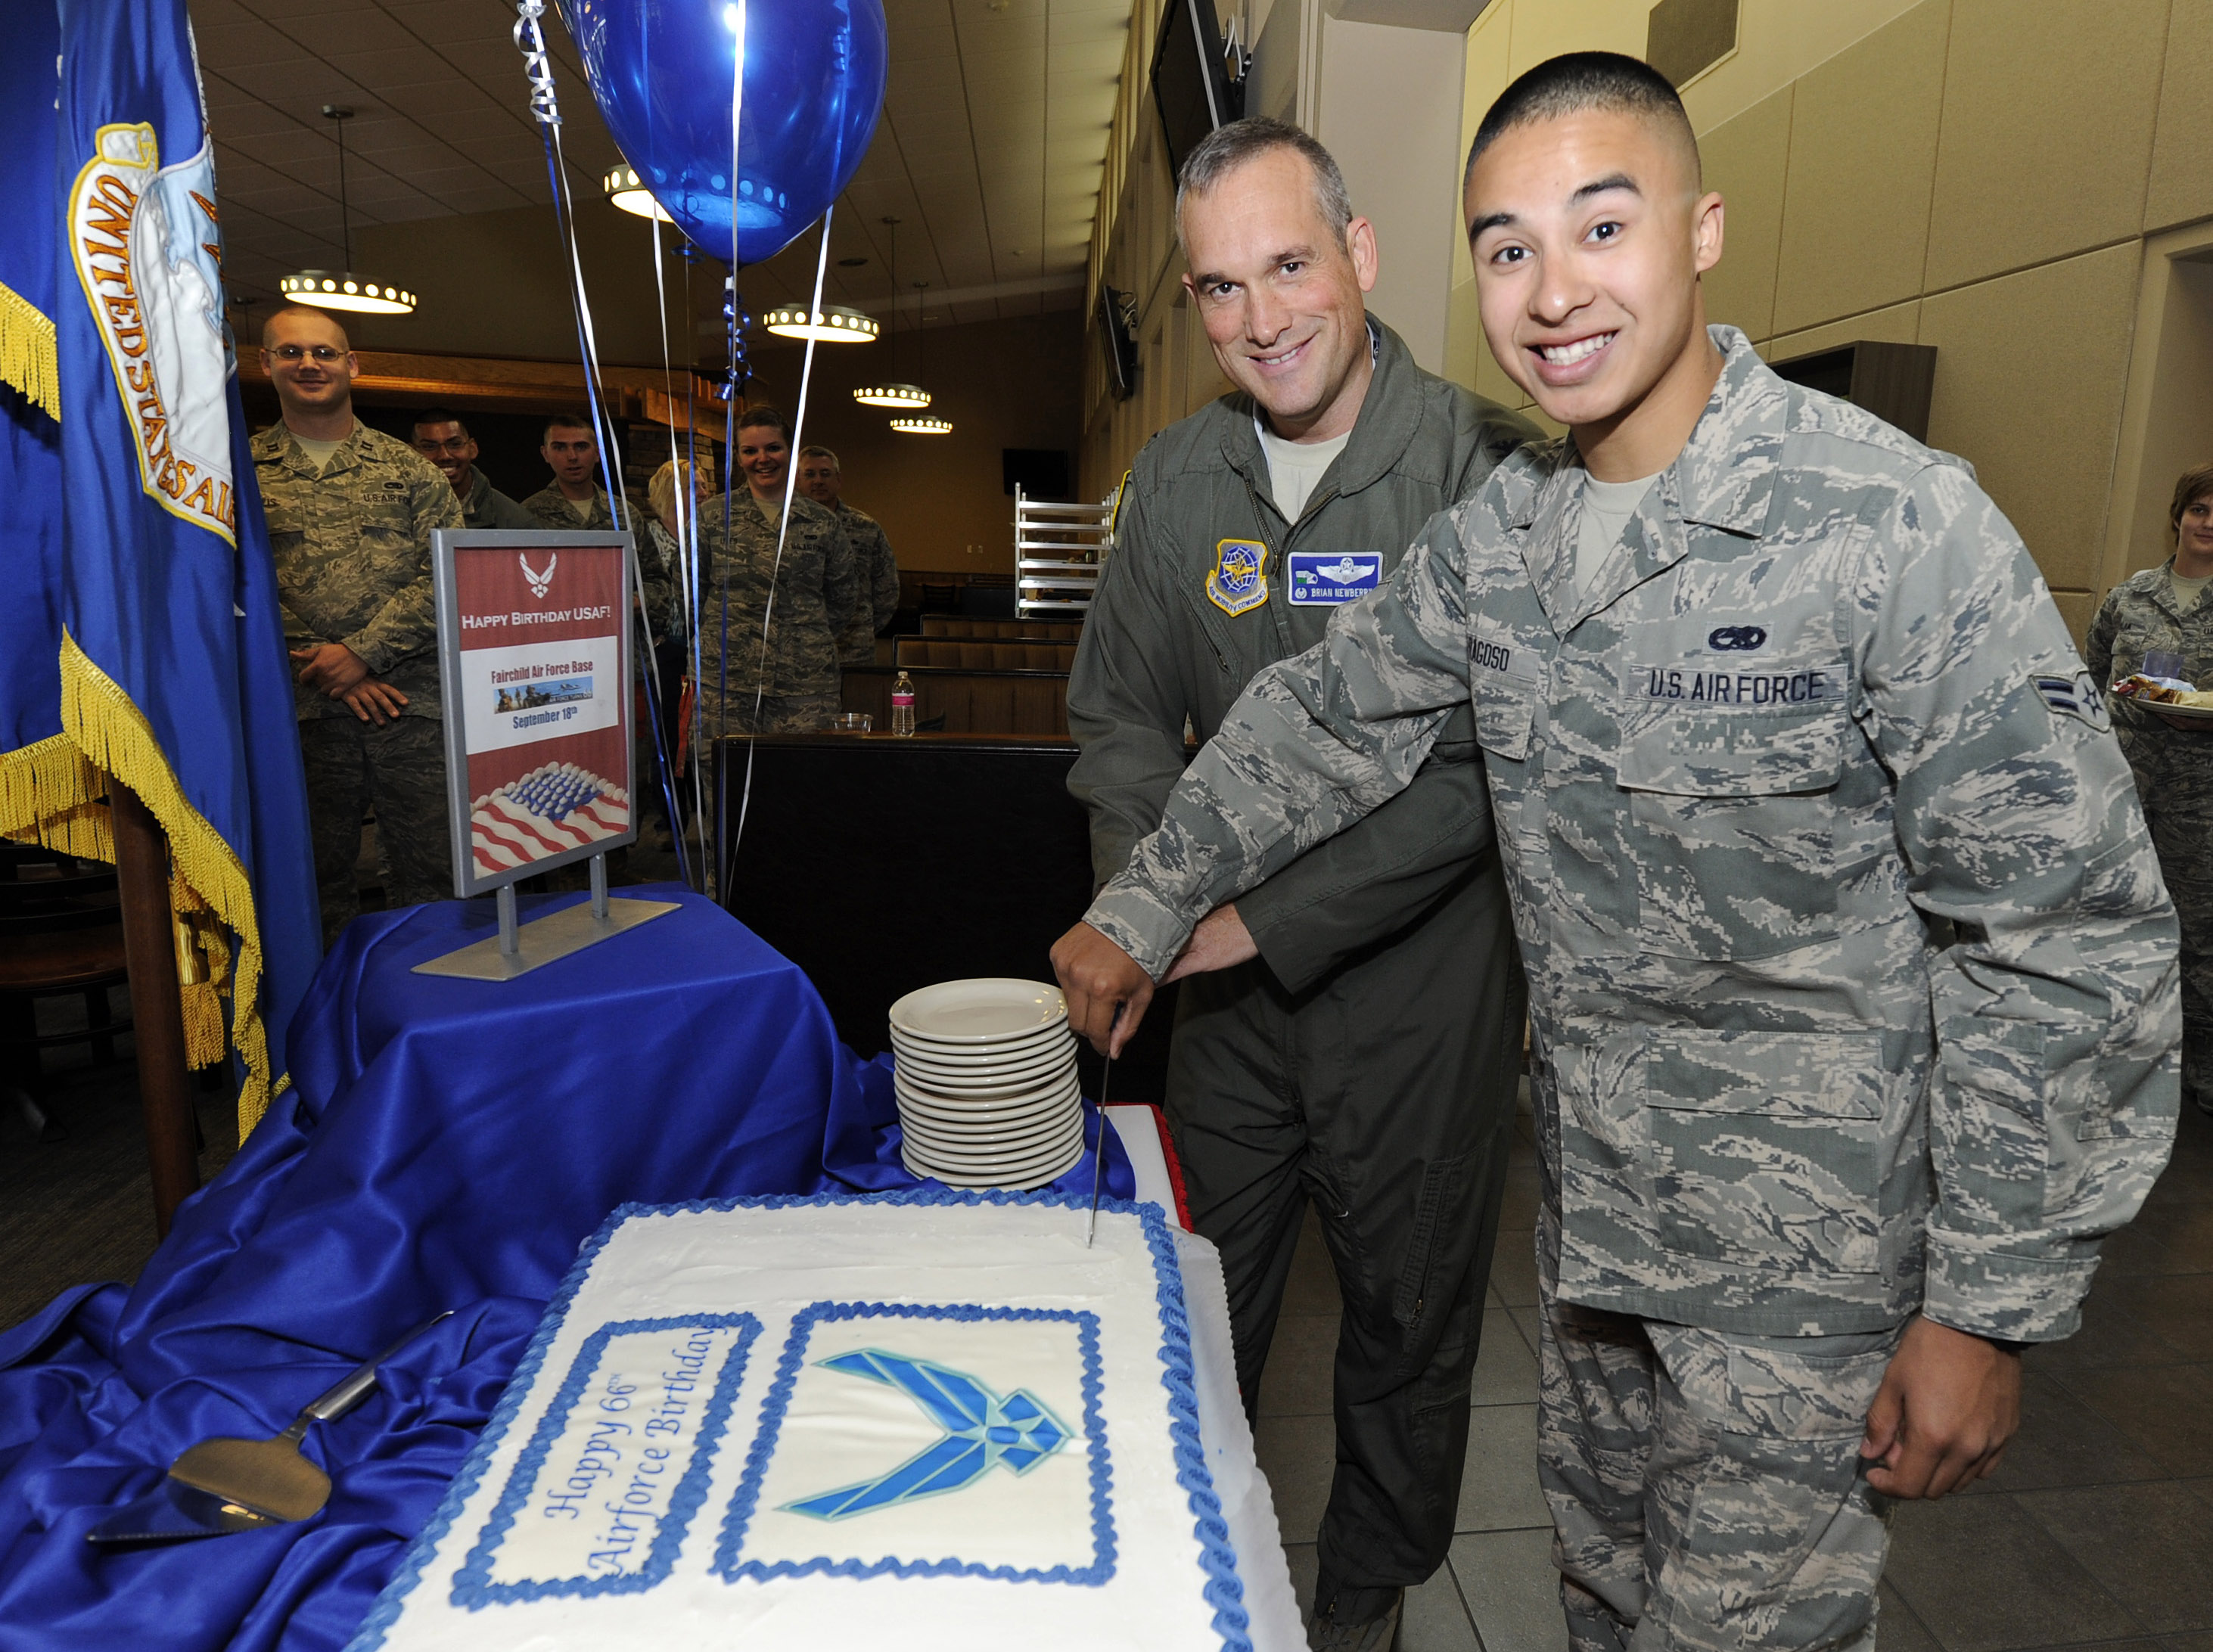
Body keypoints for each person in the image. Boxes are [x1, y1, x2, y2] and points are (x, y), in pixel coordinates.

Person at [1052, 53, 2179, 1652]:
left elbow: (2066, 932)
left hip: (1803, 1289)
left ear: (1700, 229)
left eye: (1601, 226)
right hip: (1592, 1258)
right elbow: (1322, 717)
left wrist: (1984, 1307)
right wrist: (1145, 905)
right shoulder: (1506, 541)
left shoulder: (1888, 528)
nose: (1551, 290)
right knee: (1598, 1607)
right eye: (1507, 247)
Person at [1058, 116, 1540, 1652]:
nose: (1260, 319)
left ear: (1359, 255)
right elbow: (1119, 713)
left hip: (1423, 1002)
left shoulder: (1484, 466)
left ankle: (1360, 1612)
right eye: (1216, 288)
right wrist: (1152, 903)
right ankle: (1184, 1587)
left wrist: (1252, 919)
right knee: (1194, 1313)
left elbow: (1485, 766)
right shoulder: (1175, 479)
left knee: (1405, 1333)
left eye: (1287, 265)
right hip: (1227, 1020)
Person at [253, 304, 463, 946]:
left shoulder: (410, 471)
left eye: (324, 352)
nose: (309, 364)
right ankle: (324, 1027)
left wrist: (364, 654)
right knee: (308, 884)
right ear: (265, 365)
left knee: (435, 875)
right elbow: (230, 582)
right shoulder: (237, 473)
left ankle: (428, 1014)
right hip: (296, 714)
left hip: (411, 708)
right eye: (291, 353)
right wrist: (336, 673)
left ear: (352, 365)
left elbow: (449, 575)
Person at [2087, 459, 2213, 1119]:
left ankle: (2201, 1071)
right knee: (2116, 920)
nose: (2208, 523)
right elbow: (2090, 674)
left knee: (2199, 934)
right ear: (2177, 516)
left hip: (2202, 793)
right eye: (2199, 509)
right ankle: (2114, 1058)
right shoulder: (2127, 597)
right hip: (2126, 783)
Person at [697, 407, 863, 733]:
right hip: (726, 685)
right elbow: (689, 595)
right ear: (738, 456)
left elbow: (843, 600)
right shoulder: (712, 518)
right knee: (724, 779)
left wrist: (799, 635)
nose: (763, 459)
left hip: (805, 685)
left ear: (790, 450)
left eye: (773, 448)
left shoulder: (823, 523)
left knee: (802, 779)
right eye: (750, 451)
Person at [798, 444, 902, 654]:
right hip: (799, 653)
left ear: (839, 480)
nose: (818, 480)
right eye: (810, 474)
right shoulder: (783, 527)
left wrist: (863, 627)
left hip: (853, 648)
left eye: (825, 474)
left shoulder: (867, 528)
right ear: (798, 481)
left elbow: (887, 590)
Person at [411, 408, 533, 529]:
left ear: (472, 449)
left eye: (455, 444)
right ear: (411, 454)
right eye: (429, 447)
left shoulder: (516, 521)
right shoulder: (400, 510)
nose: (445, 456)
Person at [523, 411, 623, 529]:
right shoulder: (527, 515)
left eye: (581, 447)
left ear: (597, 453)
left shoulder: (625, 514)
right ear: (546, 454)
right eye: (560, 448)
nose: (572, 457)